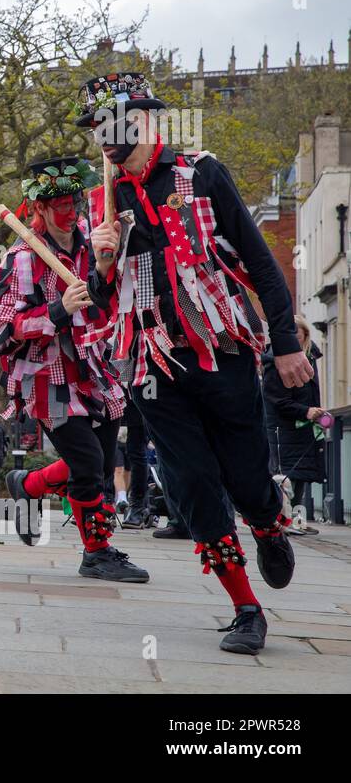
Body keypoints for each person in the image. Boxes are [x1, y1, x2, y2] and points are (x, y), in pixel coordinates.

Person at [85, 71, 307, 654]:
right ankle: (246, 608)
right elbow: (101, 302)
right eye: (96, 128)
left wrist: (285, 342)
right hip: (154, 366)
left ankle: (268, 523)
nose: (106, 137)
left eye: (117, 123)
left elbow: (261, 263)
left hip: (224, 353)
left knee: (247, 479)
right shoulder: (103, 205)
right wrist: (103, 265)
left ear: (144, 120)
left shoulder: (200, 173)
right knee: (192, 483)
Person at [0, 156, 149, 583]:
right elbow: (3, 329)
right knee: (88, 463)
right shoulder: (22, 257)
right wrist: (58, 310)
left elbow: (113, 299)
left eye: (72, 200)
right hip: (47, 374)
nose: (68, 210)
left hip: (97, 365)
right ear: (37, 209)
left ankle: (31, 484)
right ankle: (97, 552)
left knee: (97, 461)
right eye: (56, 202)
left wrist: (103, 271)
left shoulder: (93, 243)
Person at [262, 315, 326, 531]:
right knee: (285, 476)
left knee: (301, 475)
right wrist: (306, 411)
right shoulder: (275, 362)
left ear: (305, 335)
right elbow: (275, 400)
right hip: (284, 426)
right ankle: (280, 520)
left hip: (304, 425)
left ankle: (297, 520)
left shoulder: (310, 358)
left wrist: (313, 412)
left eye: (298, 334)